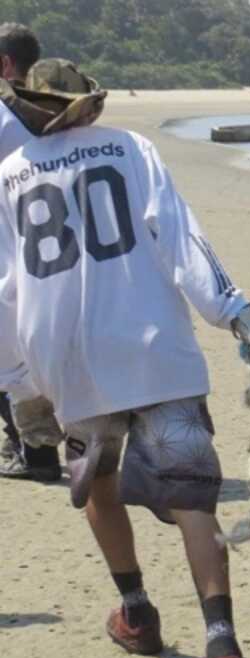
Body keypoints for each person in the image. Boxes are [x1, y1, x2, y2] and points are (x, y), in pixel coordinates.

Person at [0, 60, 250, 658]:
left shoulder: (8, 175)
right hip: (157, 350)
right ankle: (221, 646)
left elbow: (4, 288)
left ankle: (136, 611)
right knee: (193, 501)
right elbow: (181, 238)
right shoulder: (132, 148)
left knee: (98, 480)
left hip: (71, 360)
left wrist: (18, 381)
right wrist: (235, 309)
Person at [0, 22, 60, 482]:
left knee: (13, 362)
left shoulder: (4, 119)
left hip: (10, 253)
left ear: (5, 65)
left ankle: (35, 452)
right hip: (57, 255)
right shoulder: (52, 115)